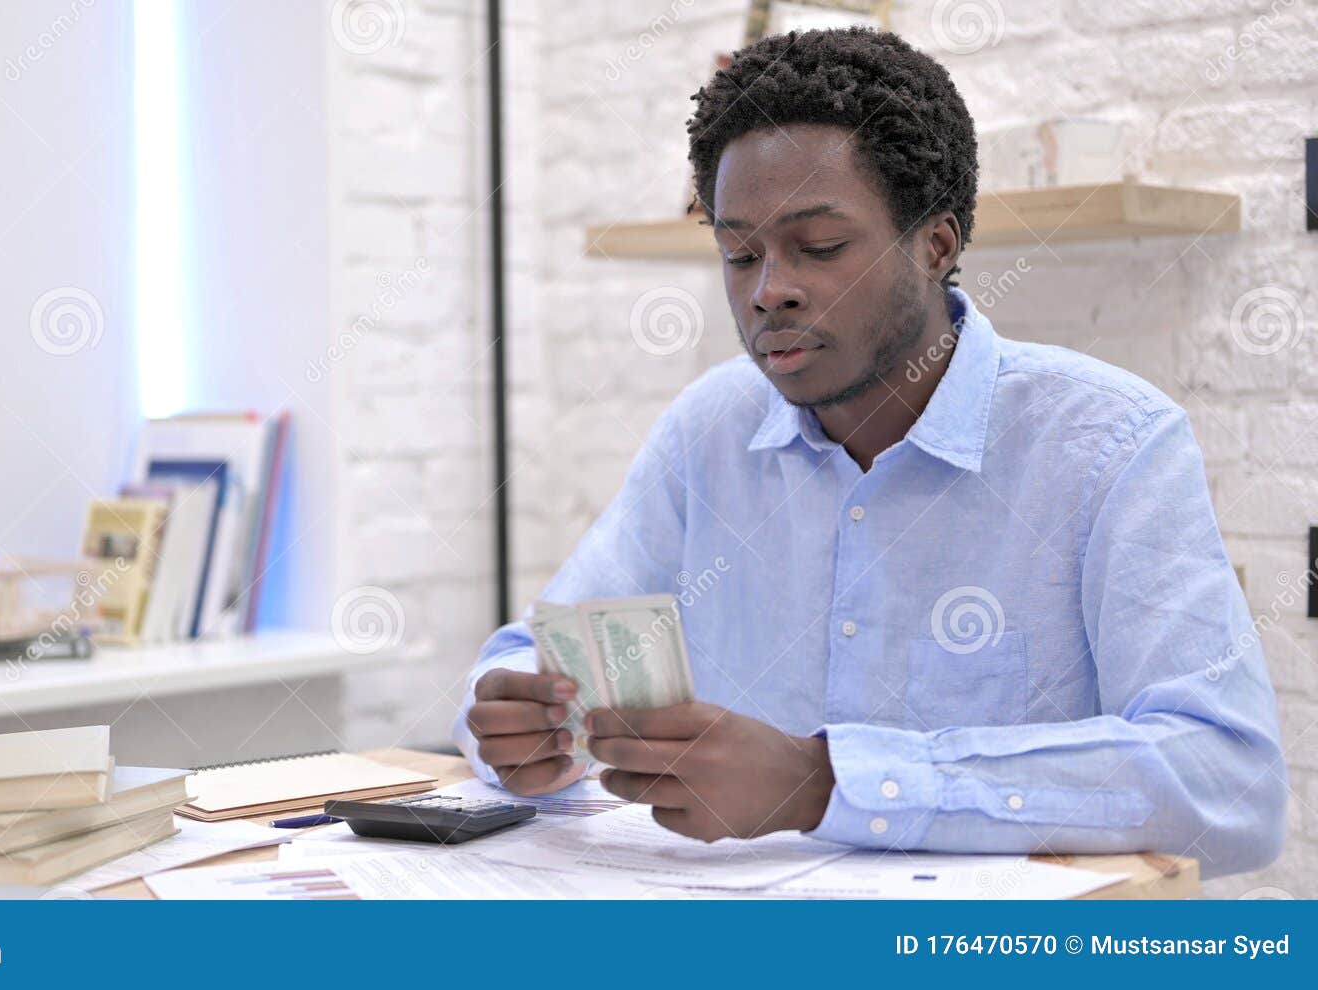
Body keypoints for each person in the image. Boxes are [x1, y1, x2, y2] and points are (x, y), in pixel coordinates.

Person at [452, 27, 1285, 878]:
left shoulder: (1109, 445)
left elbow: (1230, 785)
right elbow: (530, 655)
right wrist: (519, 733)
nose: (769, 289)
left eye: (818, 248)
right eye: (739, 254)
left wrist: (823, 782)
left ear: (937, 246)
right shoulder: (710, 429)